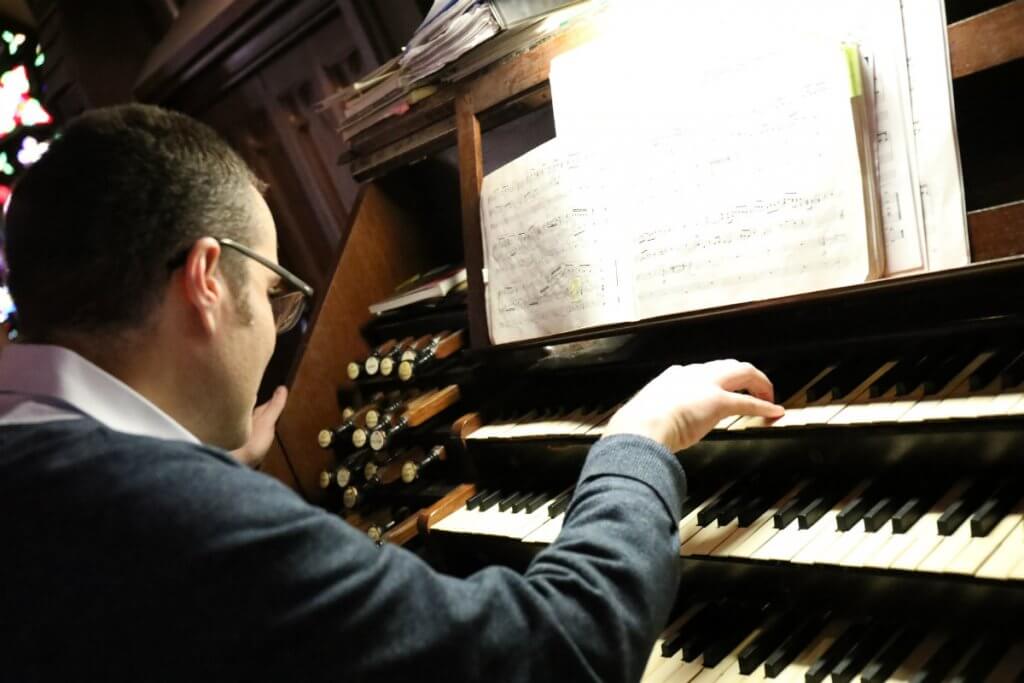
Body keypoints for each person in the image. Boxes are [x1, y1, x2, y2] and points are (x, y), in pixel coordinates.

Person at [0, 104, 783, 682]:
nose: (275, 330)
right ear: (206, 279)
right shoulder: (165, 515)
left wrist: (199, 455)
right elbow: (557, 654)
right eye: (273, 295)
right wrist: (639, 439)